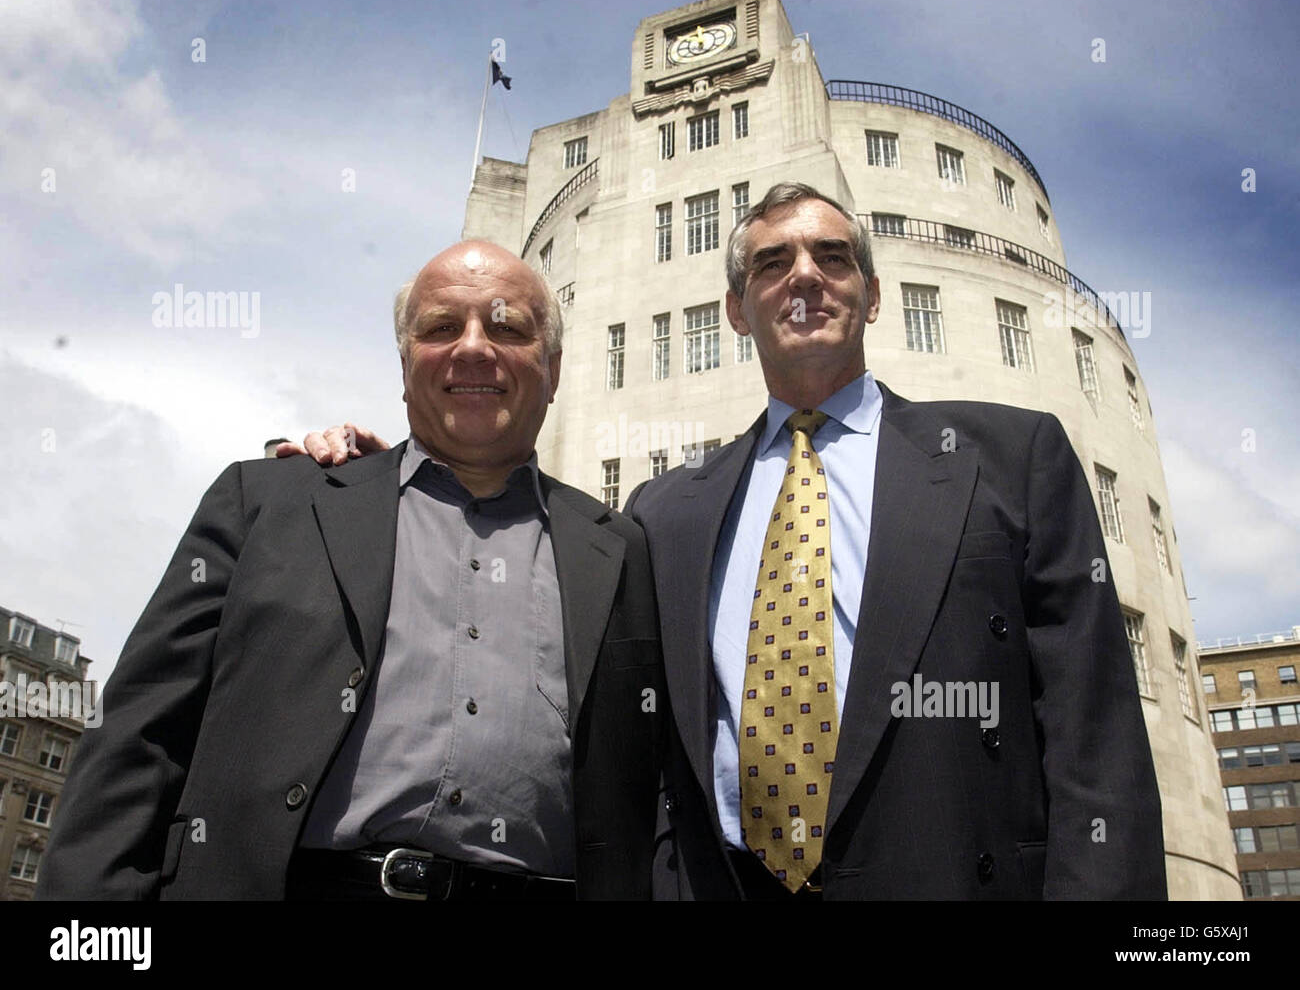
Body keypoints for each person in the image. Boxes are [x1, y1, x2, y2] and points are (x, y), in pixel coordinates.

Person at [292, 183, 1168, 901]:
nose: (806, 276)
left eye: (833, 257)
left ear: (871, 293)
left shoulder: (1009, 457)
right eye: (772, 262)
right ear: (737, 310)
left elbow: (1096, 740)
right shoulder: (662, 514)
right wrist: (389, 476)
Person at [36, 241, 665, 901]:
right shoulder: (270, 503)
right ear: (404, 363)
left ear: (554, 367)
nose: (475, 347)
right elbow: (139, 743)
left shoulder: (620, 550)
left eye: (507, 327)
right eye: (442, 326)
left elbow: (653, 793)